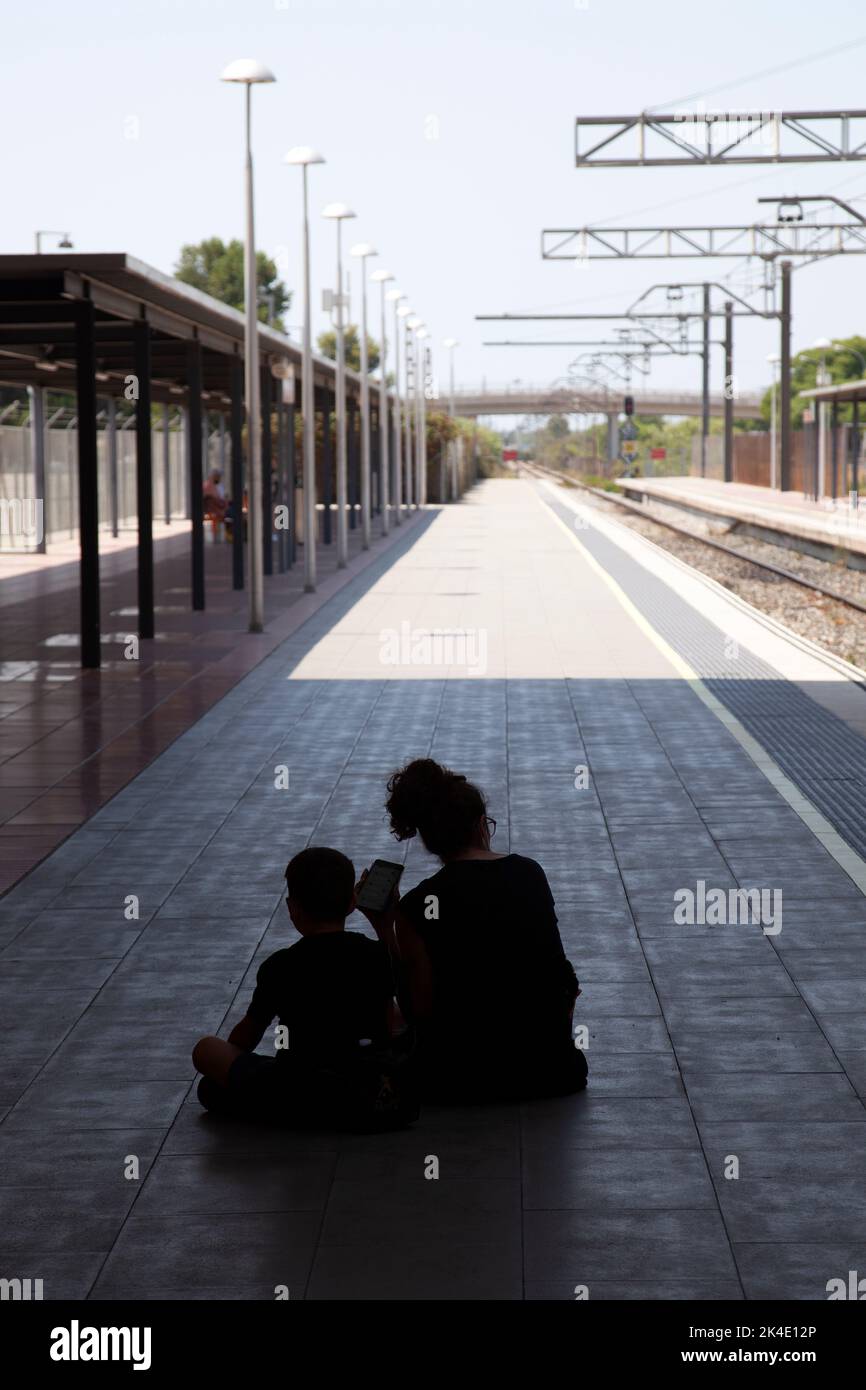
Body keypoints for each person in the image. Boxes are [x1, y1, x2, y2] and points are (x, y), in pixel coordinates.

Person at [367, 758, 587, 1103]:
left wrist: (385, 928)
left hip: (459, 1078)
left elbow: (418, 1011)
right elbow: (557, 975)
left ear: (428, 839)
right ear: (481, 824)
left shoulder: (418, 904)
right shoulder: (529, 874)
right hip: (551, 1071)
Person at [192, 847, 412, 1128]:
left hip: (301, 1089)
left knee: (207, 1053)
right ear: (351, 902)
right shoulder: (376, 956)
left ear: (292, 908)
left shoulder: (280, 966)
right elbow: (386, 1029)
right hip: (370, 1087)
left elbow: (245, 1040)